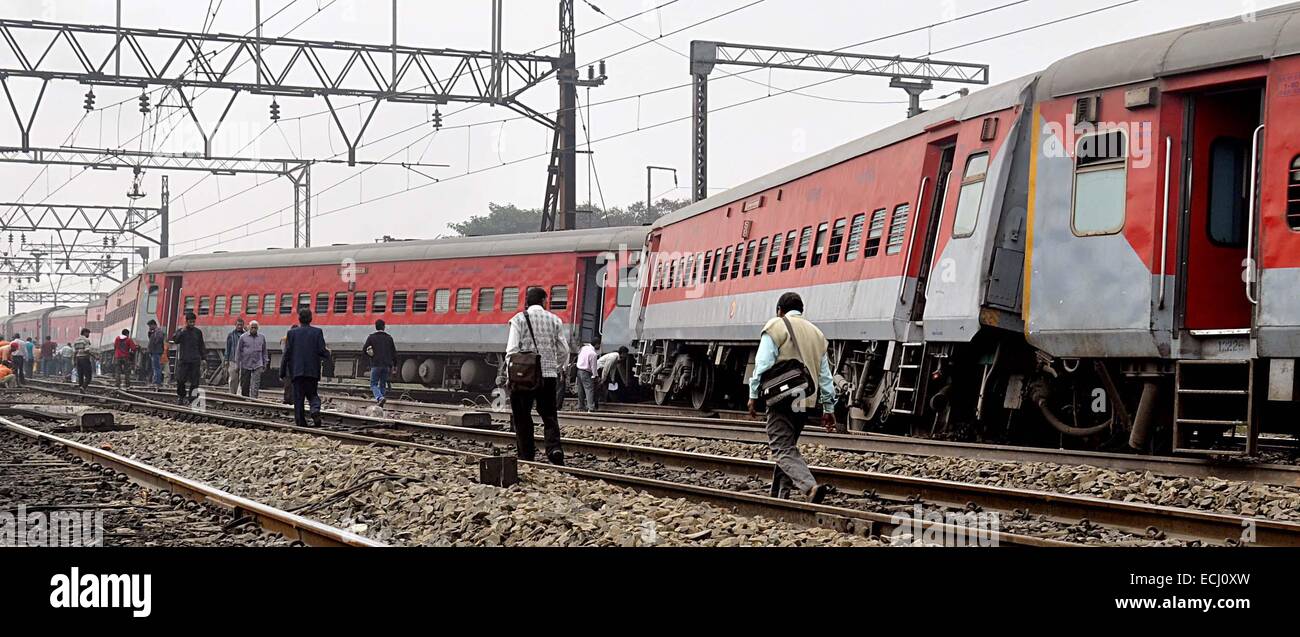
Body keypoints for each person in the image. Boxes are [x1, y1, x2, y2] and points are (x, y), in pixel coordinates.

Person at [747, 292, 837, 504]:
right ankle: (780, 498)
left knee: (782, 448)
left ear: (780, 310)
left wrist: (753, 394)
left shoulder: (775, 326)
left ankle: (809, 487)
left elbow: (763, 364)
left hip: (782, 398)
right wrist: (829, 408)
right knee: (787, 447)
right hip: (805, 401)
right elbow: (825, 377)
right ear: (801, 310)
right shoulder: (818, 334)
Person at [504, 287, 570, 465]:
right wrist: (556, 366)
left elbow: (511, 350)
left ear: (527, 301)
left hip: (523, 377)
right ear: (543, 301)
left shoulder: (518, 319)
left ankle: (526, 455)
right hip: (548, 376)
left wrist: (509, 375)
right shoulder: (555, 320)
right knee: (549, 415)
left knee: (522, 416)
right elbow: (564, 350)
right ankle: (554, 449)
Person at [281, 309, 330, 427]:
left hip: (297, 372)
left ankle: (301, 423)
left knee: (298, 398)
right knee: (312, 394)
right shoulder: (317, 332)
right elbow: (321, 350)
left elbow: (287, 353)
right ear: (311, 319)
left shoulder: (291, 333)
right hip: (312, 371)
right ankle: (315, 409)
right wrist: (328, 354)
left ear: (299, 319)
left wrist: (282, 371)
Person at [170, 312, 205, 406]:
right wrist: (182, 331)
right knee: (180, 380)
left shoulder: (198, 332)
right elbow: (176, 340)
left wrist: (203, 358)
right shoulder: (181, 331)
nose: (192, 324)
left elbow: (201, 345)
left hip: (195, 360)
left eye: (193, 322)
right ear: (186, 322)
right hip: (184, 360)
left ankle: (193, 399)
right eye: (190, 322)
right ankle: (181, 396)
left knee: (195, 382)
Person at [362, 319, 396, 406]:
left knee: (373, 384)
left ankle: (379, 398)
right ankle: (381, 401)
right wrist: (394, 365)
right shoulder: (389, 338)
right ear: (384, 327)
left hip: (376, 364)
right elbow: (394, 353)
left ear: (376, 327)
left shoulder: (371, 337)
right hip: (386, 365)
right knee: (382, 384)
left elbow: (364, 350)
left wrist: (368, 359)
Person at [235, 320, 269, 398]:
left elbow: (264, 351)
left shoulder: (262, 337)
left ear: (258, 328)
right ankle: (245, 398)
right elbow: (238, 351)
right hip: (245, 363)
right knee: (245, 384)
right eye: (252, 327)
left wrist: (265, 362)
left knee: (255, 384)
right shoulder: (243, 337)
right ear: (249, 327)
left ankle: (254, 399)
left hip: (258, 363)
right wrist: (237, 364)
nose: (254, 329)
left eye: (255, 328)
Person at [574, 337, 600, 412]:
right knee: (589, 389)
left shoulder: (584, 348)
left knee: (580, 389)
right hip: (586, 372)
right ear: (597, 344)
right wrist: (595, 376)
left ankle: (581, 406)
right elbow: (593, 367)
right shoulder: (593, 354)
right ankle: (591, 407)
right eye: (599, 345)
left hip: (579, 370)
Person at [224, 318, 245, 394]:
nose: (239, 326)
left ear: (243, 325)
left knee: (242, 378)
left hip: (243, 360)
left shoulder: (246, 335)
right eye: (238, 325)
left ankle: (240, 394)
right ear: (235, 325)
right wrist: (226, 359)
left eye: (241, 325)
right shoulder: (231, 335)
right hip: (232, 359)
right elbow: (228, 347)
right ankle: (232, 393)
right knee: (233, 378)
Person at [146, 320, 165, 387]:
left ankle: (156, 382)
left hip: (156, 351)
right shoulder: (154, 332)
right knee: (155, 367)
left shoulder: (158, 332)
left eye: (150, 326)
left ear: (153, 325)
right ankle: (156, 381)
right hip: (154, 351)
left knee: (156, 367)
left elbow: (159, 339)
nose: (149, 327)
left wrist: (154, 344)